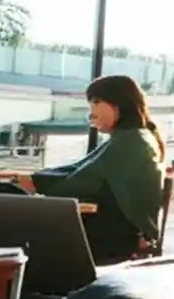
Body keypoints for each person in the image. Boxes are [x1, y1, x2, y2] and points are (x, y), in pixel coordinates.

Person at [33, 75, 166, 263]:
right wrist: (35, 179)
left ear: (119, 103)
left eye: (96, 102)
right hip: (120, 232)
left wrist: (34, 182)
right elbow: (79, 169)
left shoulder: (129, 142)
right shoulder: (131, 138)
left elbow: (78, 182)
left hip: (116, 237)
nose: (91, 112)